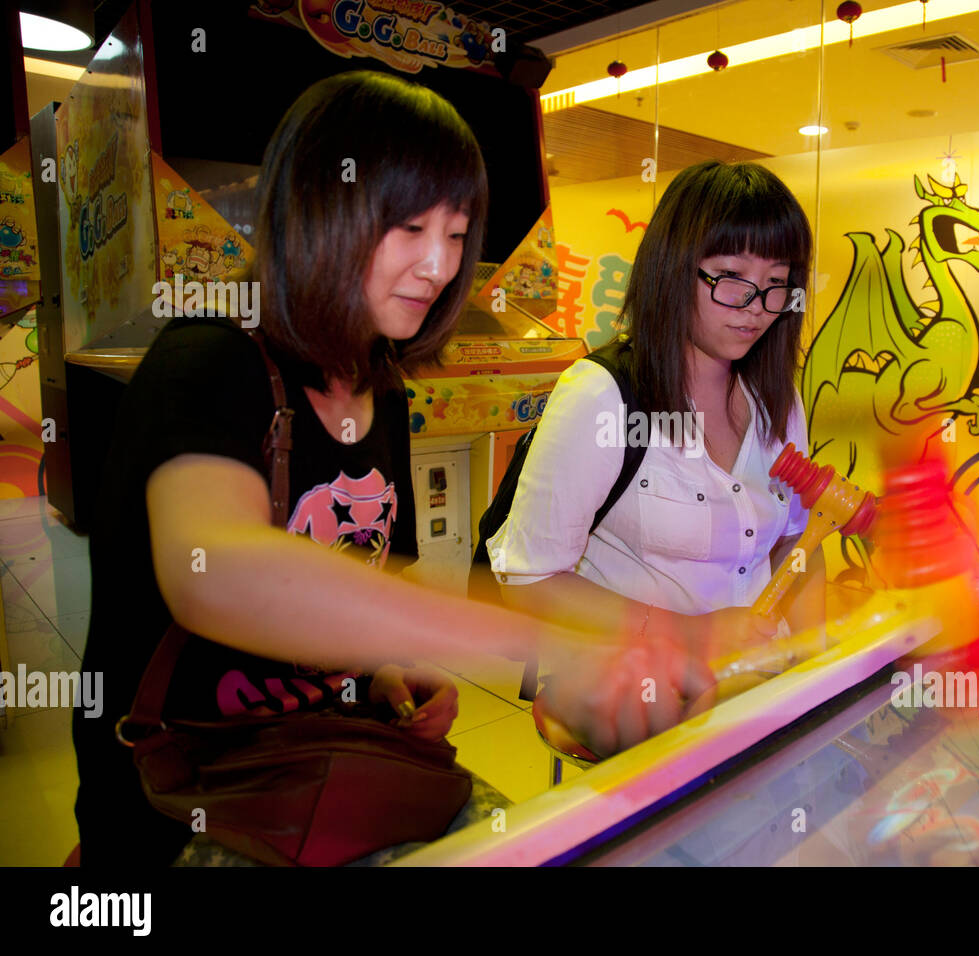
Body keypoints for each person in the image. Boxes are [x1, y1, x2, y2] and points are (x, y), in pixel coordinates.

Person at [71, 72, 708, 867]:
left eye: (457, 231)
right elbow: (218, 571)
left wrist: (389, 671)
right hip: (186, 799)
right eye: (409, 227)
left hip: (325, 764)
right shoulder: (210, 356)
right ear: (318, 208)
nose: (439, 266)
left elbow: (358, 577)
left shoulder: (379, 386)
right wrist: (541, 639)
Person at [487, 160, 826, 681]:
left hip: (755, 689)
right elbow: (529, 580)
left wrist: (814, 663)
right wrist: (695, 635)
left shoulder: (777, 402)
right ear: (673, 268)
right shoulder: (603, 395)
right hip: (633, 693)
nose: (755, 306)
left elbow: (796, 543)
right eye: (732, 277)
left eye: (776, 283)